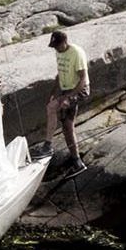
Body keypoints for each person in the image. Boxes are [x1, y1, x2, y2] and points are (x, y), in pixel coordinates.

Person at [46, 30, 91, 171]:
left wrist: (68, 97)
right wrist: (53, 92)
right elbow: (60, 73)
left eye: (58, 45)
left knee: (64, 121)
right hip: (66, 90)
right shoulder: (58, 52)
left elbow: (83, 79)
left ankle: (75, 159)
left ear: (65, 41)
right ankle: (74, 158)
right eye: (54, 46)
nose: (56, 48)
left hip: (79, 90)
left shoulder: (76, 53)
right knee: (65, 125)